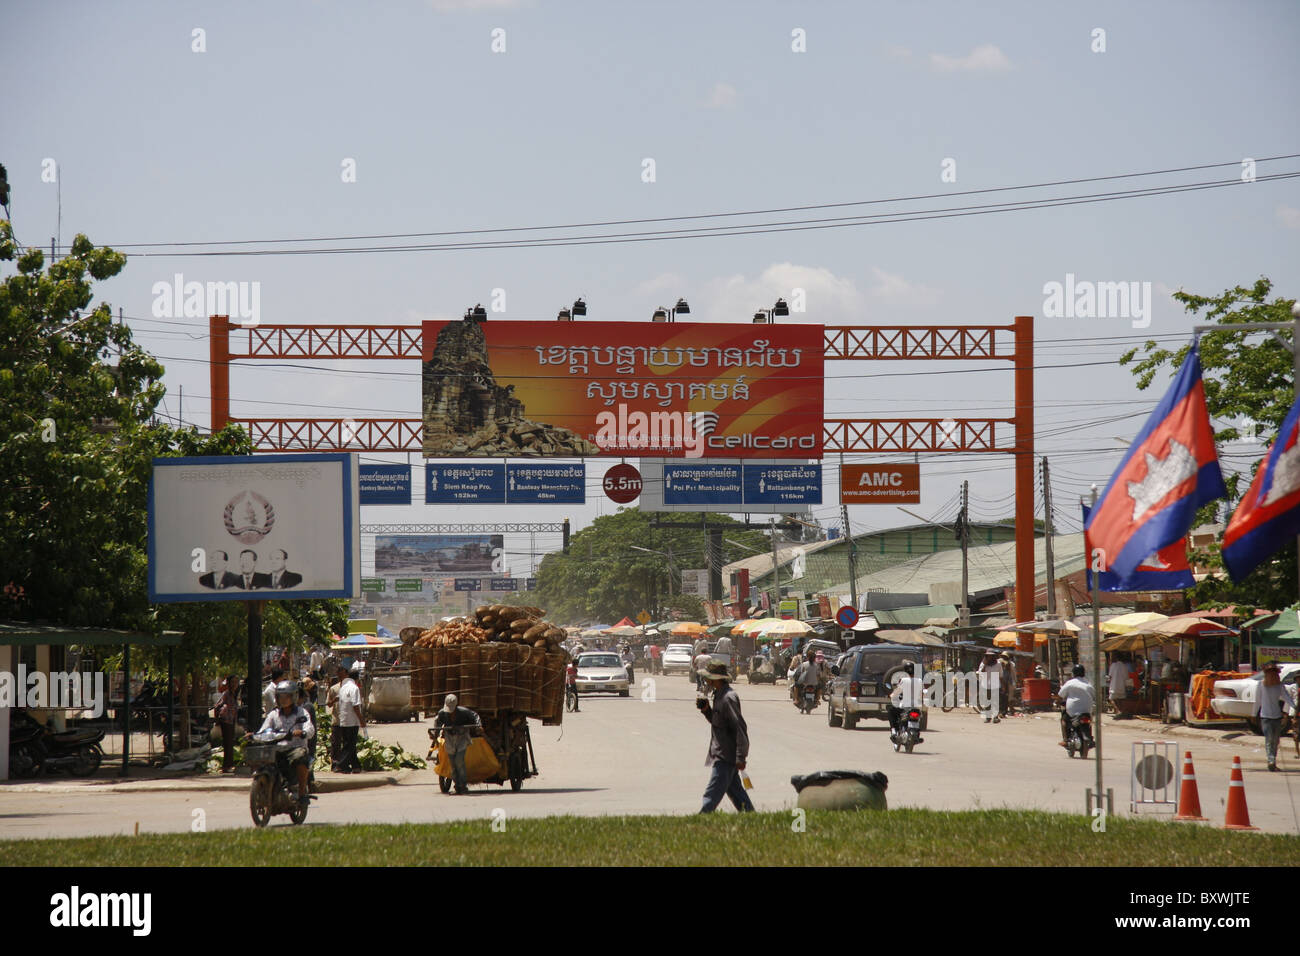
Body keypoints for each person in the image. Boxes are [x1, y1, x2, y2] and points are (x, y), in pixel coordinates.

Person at [696, 661, 754, 814]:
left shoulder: (729, 698)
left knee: (711, 794)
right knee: (737, 794)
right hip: (722, 753)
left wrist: (741, 756)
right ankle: (751, 816)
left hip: (726, 756)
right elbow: (718, 724)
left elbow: (739, 728)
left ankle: (701, 819)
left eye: (708, 678)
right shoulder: (719, 695)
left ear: (715, 679)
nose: (706, 681)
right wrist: (706, 710)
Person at [250, 680, 314, 808]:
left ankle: (302, 793)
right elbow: (264, 729)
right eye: (280, 697)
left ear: (294, 697)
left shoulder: (302, 713)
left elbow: (309, 728)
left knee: (301, 757)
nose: (283, 700)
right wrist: (254, 735)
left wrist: (302, 732)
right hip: (276, 749)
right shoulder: (273, 714)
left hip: (294, 748)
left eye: (287, 697)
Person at [433, 693, 483, 795]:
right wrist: (435, 734)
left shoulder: (464, 712)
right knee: (452, 764)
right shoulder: (442, 713)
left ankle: (463, 785)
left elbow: (475, 716)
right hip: (449, 738)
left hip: (462, 737)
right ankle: (457, 785)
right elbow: (437, 722)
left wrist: (478, 726)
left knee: (459, 761)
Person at [1256, 662, 1292, 772]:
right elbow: (1257, 702)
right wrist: (1253, 714)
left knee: (1275, 741)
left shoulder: (1280, 686)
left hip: (1277, 717)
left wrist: (1295, 707)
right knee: (1269, 739)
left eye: (1274, 673)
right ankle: (1270, 760)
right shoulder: (1261, 685)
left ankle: (1273, 760)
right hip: (1265, 717)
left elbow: (1287, 698)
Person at [334, 664, 365, 773]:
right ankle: (340, 765)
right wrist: (361, 720)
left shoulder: (343, 688)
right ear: (356, 679)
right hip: (352, 721)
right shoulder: (354, 688)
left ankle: (356, 766)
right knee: (350, 745)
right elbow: (355, 705)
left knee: (349, 744)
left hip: (344, 720)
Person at [887, 661, 925, 743]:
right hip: (916, 707)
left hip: (904, 707)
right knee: (918, 717)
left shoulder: (903, 680)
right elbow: (921, 695)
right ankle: (916, 734)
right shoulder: (919, 681)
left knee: (891, 711)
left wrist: (891, 696)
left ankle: (894, 731)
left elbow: (897, 691)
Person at [1057, 664, 1095, 745]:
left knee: (1064, 720)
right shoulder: (1088, 683)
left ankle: (1066, 740)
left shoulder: (1070, 683)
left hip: (1072, 711)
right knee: (1089, 722)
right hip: (1087, 710)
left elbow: (1060, 695)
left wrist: (1058, 702)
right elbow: (1094, 695)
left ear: (1073, 673)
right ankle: (1090, 737)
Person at [215, 675, 239, 773]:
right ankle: (227, 765)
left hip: (231, 720)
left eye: (236, 682)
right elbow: (217, 706)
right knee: (228, 743)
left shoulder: (234, 694)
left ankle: (229, 764)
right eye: (232, 682)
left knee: (230, 743)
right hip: (226, 721)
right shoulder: (226, 694)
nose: (234, 684)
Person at [977, 651, 1002, 723]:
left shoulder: (998, 664)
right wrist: (985, 664)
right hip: (986, 685)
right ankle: (988, 718)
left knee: (995, 702)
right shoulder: (983, 664)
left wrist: (1003, 685)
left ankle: (995, 717)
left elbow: (1000, 675)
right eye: (988, 656)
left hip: (995, 685)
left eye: (991, 656)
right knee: (987, 702)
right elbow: (981, 673)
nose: (990, 657)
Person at [998, 653, 1016, 717]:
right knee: (1002, 698)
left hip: (1007, 683)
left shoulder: (1011, 664)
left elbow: (1013, 674)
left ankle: (1003, 712)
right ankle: (1002, 712)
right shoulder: (999, 662)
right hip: (1001, 682)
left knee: (1005, 698)